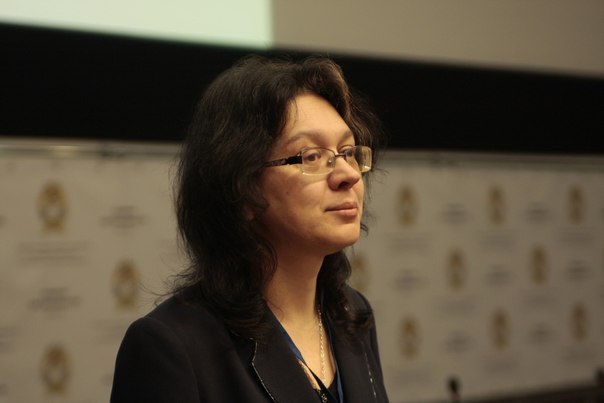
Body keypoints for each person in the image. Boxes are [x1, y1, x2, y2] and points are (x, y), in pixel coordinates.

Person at [110, 54, 389, 403]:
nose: (348, 174)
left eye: (347, 151)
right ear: (242, 187)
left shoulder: (352, 314)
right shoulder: (172, 347)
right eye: (311, 156)